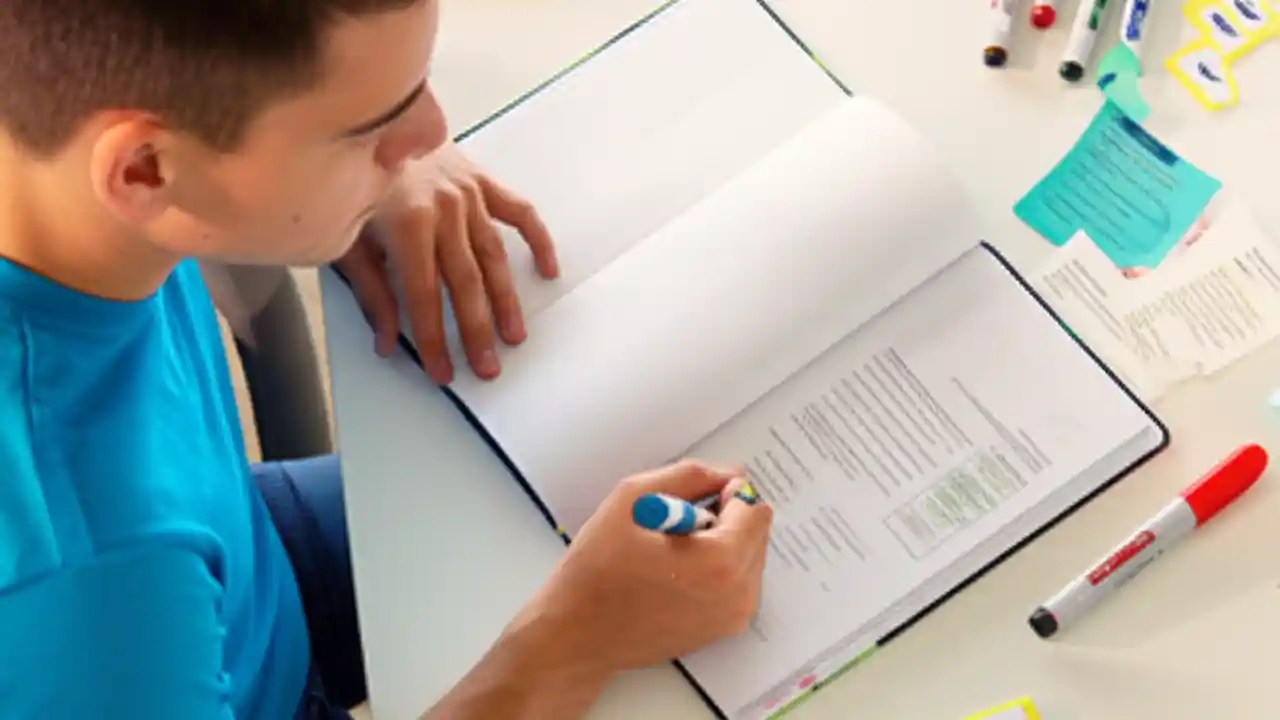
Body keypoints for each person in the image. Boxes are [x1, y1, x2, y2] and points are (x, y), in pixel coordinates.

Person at [0, 2, 774, 719]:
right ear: (144, 172)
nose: (432, 133)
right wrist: (574, 643)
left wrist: (361, 179)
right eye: (371, 126)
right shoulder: (89, 595)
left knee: (590, 480)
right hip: (198, 653)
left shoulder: (51, 176)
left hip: (244, 556)